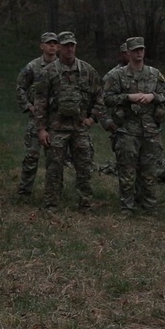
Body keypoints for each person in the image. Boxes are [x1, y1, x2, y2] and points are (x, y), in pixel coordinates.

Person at [33, 31, 105, 211]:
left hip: (80, 128)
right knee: (54, 168)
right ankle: (51, 204)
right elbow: (40, 102)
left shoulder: (87, 71)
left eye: (72, 45)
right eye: (65, 45)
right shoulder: (48, 72)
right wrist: (41, 129)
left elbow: (100, 97)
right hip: (56, 128)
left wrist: (92, 118)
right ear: (59, 47)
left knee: (84, 166)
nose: (69, 48)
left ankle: (85, 204)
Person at [102, 36, 165, 215]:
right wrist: (127, 97)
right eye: (136, 50)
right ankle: (127, 206)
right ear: (128, 52)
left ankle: (149, 206)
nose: (139, 52)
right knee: (127, 170)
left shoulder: (154, 74)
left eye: (142, 49)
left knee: (149, 170)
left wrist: (153, 97)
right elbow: (106, 98)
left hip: (150, 130)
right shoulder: (117, 75)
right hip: (127, 129)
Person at [15, 31, 59, 197]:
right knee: (31, 156)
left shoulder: (62, 67)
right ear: (42, 46)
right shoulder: (32, 67)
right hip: (36, 119)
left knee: (55, 158)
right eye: (49, 43)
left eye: (55, 43)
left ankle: (53, 191)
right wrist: (28, 106)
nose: (52, 45)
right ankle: (25, 190)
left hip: (55, 120)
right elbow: (20, 88)